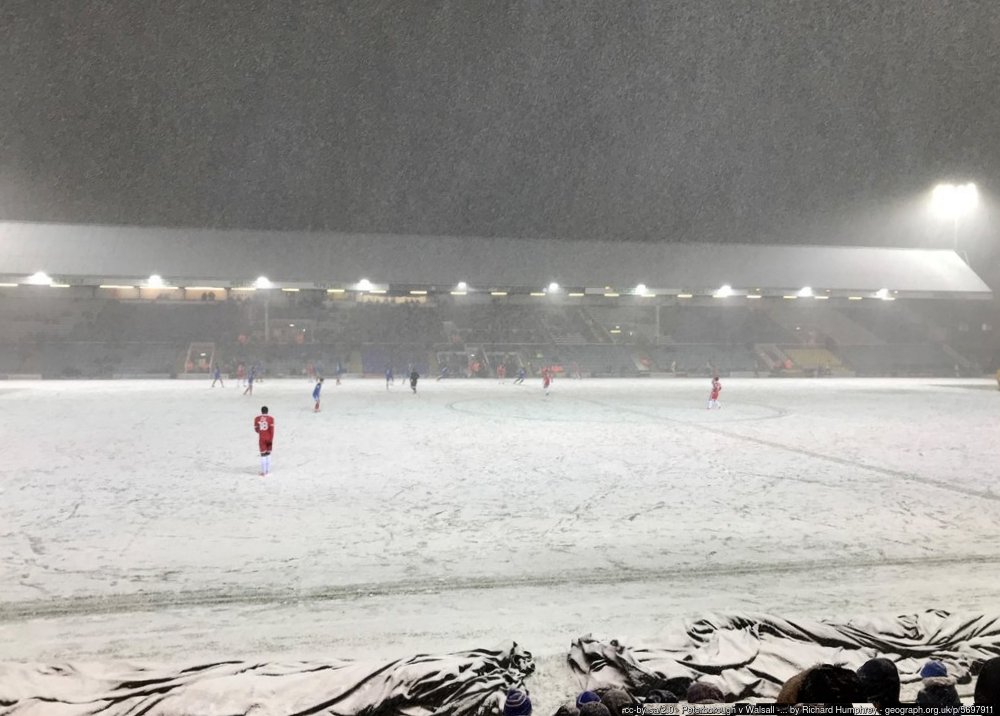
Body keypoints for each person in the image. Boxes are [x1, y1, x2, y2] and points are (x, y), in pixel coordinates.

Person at [254, 406, 275, 476]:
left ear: (261, 411)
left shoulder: (257, 419)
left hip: (262, 438)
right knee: (268, 454)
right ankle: (268, 471)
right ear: (267, 411)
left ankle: (263, 472)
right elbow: (272, 430)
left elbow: (256, 429)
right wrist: (271, 438)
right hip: (269, 438)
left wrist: (261, 432)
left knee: (263, 455)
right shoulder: (271, 419)